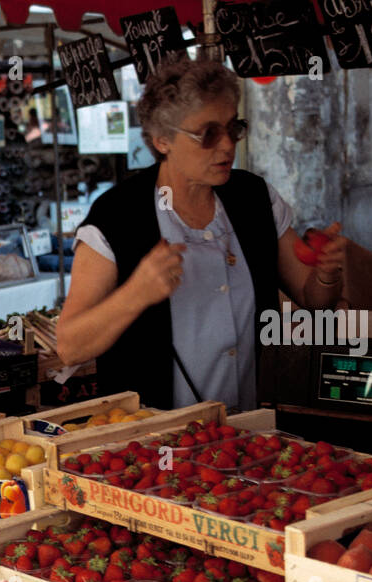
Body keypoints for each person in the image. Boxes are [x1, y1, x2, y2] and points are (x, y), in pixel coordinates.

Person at [56, 56, 347, 411]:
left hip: (249, 432)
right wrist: (136, 293)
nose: (226, 145)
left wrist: (327, 275)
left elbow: (312, 298)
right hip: (151, 446)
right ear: (162, 140)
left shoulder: (254, 198)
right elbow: (70, 345)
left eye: (233, 128)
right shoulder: (117, 216)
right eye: (207, 134)